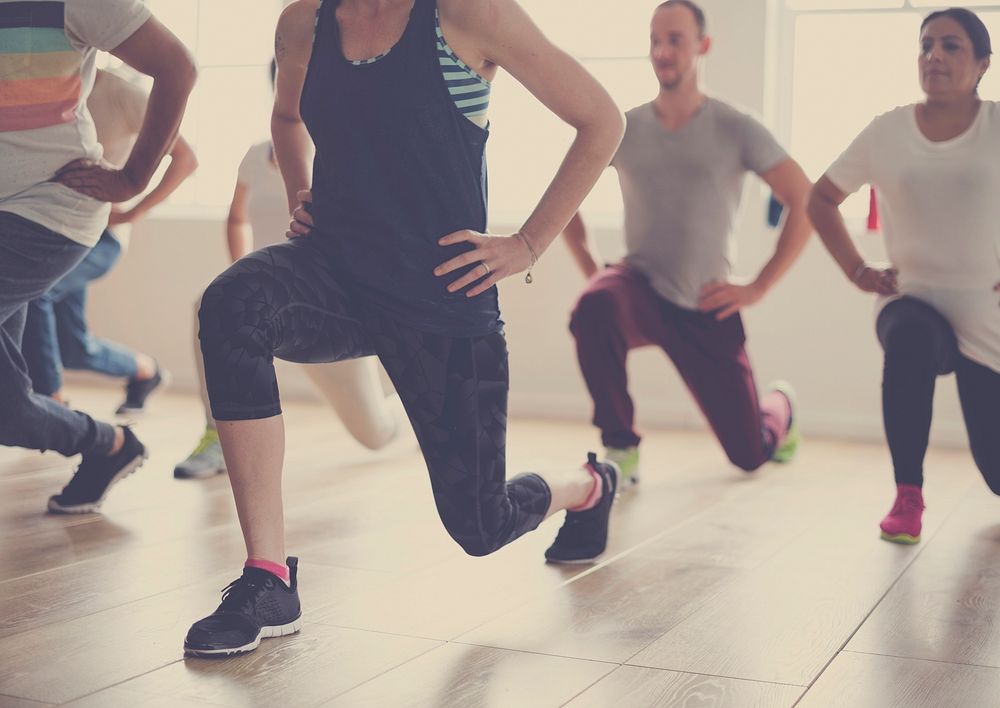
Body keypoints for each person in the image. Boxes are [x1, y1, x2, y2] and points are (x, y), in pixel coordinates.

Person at [182, 0, 624, 657]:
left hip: (441, 294)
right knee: (231, 305)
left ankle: (588, 486)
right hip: (333, 272)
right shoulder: (304, 22)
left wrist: (528, 244)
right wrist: (302, 191)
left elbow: (601, 121)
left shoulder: (469, 16)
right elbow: (285, 115)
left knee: (481, 525)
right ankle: (268, 577)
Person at [563, 0, 812, 487]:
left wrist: (758, 286)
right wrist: (594, 270)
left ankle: (779, 409)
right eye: (655, 40)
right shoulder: (623, 127)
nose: (662, 51)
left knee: (749, 456)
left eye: (675, 39)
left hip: (705, 303)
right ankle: (621, 444)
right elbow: (566, 198)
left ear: (703, 46)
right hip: (638, 285)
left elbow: (802, 199)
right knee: (593, 306)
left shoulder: (736, 125)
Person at [808, 7, 999, 544]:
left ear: (982, 63)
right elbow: (820, 198)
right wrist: (857, 270)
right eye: (926, 44)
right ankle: (907, 496)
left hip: (988, 318)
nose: (933, 55)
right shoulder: (886, 131)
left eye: (951, 46)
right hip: (911, 300)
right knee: (909, 340)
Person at [0, 0, 196, 513]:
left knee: (71, 341)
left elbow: (177, 65)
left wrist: (132, 180)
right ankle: (108, 445)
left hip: (50, 209)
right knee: (7, 412)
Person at [175, 62, 405, 480]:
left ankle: (418, 414)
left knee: (376, 433)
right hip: (268, 299)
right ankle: (216, 437)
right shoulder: (255, 155)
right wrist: (239, 280)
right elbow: (236, 219)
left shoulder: (341, 154)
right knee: (205, 305)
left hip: (322, 306)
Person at [21, 69, 198, 416]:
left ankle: (50, 405)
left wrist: (131, 212)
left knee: (36, 290)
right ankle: (145, 371)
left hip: (101, 238)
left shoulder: (121, 94)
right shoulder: (39, 89)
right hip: (54, 231)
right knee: (74, 348)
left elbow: (186, 159)